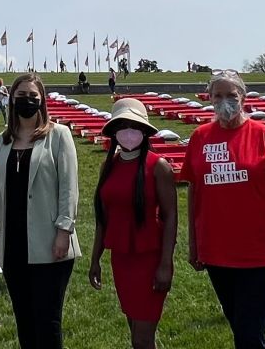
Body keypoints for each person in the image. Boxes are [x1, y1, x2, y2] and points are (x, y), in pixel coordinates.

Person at [181, 70, 265, 349]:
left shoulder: (264, 136)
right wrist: (194, 245)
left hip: (257, 255)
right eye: (217, 96)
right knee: (239, 326)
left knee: (249, 336)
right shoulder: (200, 138)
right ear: (208, 99)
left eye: (231, 95)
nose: (224, 101)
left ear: (243, 97)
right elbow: (194, 194)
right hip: (217, 253)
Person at [0, 73, 80, 349]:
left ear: (42, 101)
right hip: (13, 244)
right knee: (24, 321)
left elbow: (69, 188)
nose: (27, 101)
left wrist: (64, 231)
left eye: (33, 97)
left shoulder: (59, 135)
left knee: (47, 323)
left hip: (49, 244)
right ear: (11, 100)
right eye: (21, 96)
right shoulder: (2, 141)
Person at [88, 99, 177, 349]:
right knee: (134, 329)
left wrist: (165, 264)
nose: (128, 132)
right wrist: (95, 259)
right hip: (122, 258)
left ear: (145, 131)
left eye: (134, 126)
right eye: (122, 126)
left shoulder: (158, 167)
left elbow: (171, 217)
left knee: (142, 338)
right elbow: (102, 218)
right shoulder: (108, 166)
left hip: (149, 258)